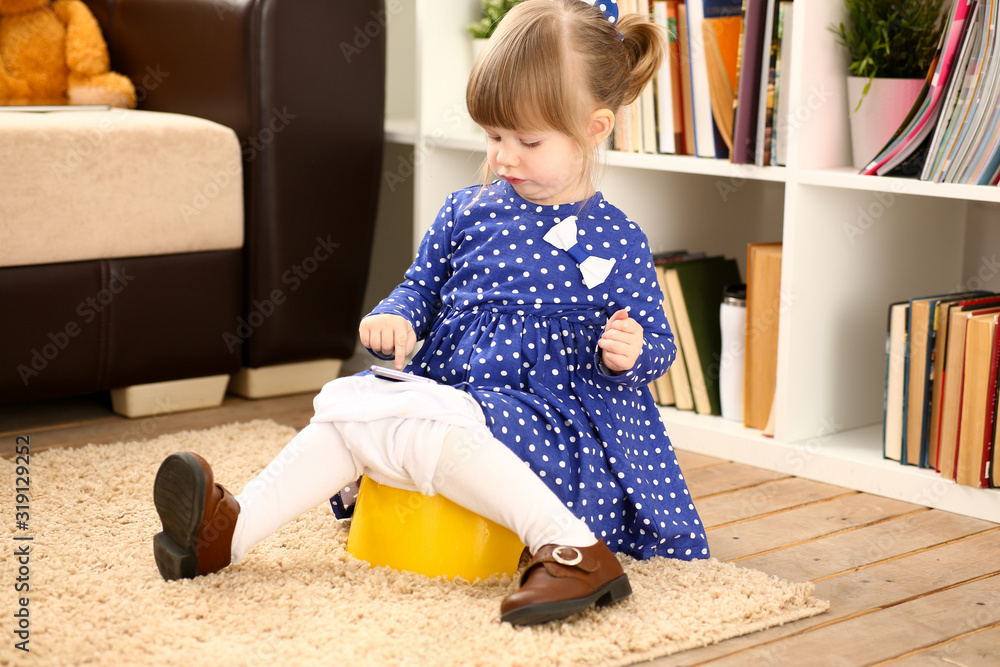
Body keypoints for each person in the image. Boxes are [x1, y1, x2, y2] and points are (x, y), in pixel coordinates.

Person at [152, 0, 709, 627]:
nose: (504, 158)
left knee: (423, 423)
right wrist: (396, 318)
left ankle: (570, 546)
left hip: (554, 423)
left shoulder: (619, 237)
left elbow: (657, 344)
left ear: (595, 128)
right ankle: (229, 532)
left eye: (527, 141)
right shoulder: (466, 211)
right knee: (353, 410)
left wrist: (631, 353)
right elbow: (419, 289)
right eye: (493, 136)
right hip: (452, 397)